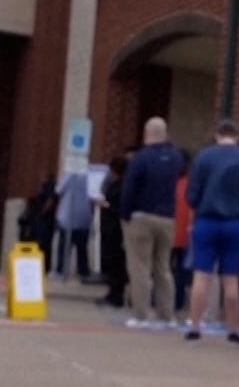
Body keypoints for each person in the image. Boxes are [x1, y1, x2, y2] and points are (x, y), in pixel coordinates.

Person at [184, 120, 239, 344]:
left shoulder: (204, 157)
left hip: (206, 221)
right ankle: (234, 329)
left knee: (201, 276)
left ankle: (195, 326)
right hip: (234, 222)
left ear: (217, 135)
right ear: (236, 136)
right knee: (231, 278)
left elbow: (191, 195)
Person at [119, 117, 186, 328]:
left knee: (140, 266)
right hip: (167, 217)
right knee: (163, 268)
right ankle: (168, 315)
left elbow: (129, 188)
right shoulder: (176, 158)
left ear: (147, 133)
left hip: (141, 217)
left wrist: (124, 213)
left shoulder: (141, 158)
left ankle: (141, 314)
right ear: (165, 133)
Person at [95, 154, 131, 308]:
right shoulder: (116, 184)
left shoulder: (122, 186)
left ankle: (116, 295)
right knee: (112, 262)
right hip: (109, 228)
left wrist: (106, 205)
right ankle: (112, 293)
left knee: (117, 263)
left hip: (115, 228)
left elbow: (118, 207)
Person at [55, 169, 94, 281]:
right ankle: (83, 271)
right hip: (84, 216)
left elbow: (58, 190)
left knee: (64, 247)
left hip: (67, 216)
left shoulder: (69, 174)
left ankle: (61, 270)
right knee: (82, 248)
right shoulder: (89, 176)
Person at [169, 154, 194, 317]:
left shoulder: (169, 184)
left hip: (170, 231)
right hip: (186, 233)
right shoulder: (192, 185)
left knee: (163, 268)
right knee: (181, 271)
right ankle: (177, 301)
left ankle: (161, 299)